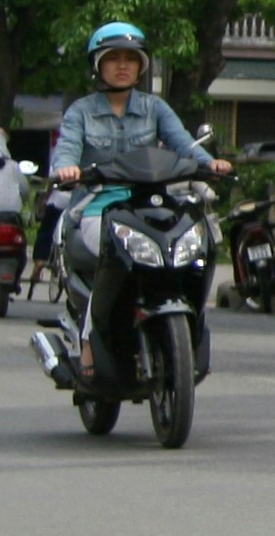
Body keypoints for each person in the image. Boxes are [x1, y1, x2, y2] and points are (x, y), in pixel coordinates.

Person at [51, 23, 231, 381]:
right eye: (113, 58)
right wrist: (67, 169)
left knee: (190, 248)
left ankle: (186, 333)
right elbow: (67, 148)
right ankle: (90, 342)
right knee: (110, 255)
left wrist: (209, 164)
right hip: (98, 206)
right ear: (98, 65)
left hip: (151, 205)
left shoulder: (155, 108)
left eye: (131, 60)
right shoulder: (81, 112)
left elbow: (183, 143)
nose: (122, 66)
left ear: (141, 67)